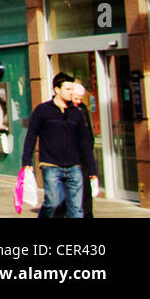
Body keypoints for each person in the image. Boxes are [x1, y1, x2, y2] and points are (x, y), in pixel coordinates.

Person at [22, 72, 96, 219]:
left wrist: (92, 168)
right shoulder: (43, 110)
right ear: (57, 89)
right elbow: (31, 136)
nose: (71, 93)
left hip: (74, 166)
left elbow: (84, 142)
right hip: (51, 165)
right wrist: (26, 161)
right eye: (68, 89)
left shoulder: (76, 113)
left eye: (72, 89)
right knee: (53, 203)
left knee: (76, 209)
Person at [70, 82, 96, 218]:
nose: (78, 102)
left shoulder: (82, 109)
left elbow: (88, 135)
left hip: (83, 158)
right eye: (76, 99)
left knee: (86, 191)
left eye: (81, 99)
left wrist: (91, 166)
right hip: (68, 160)